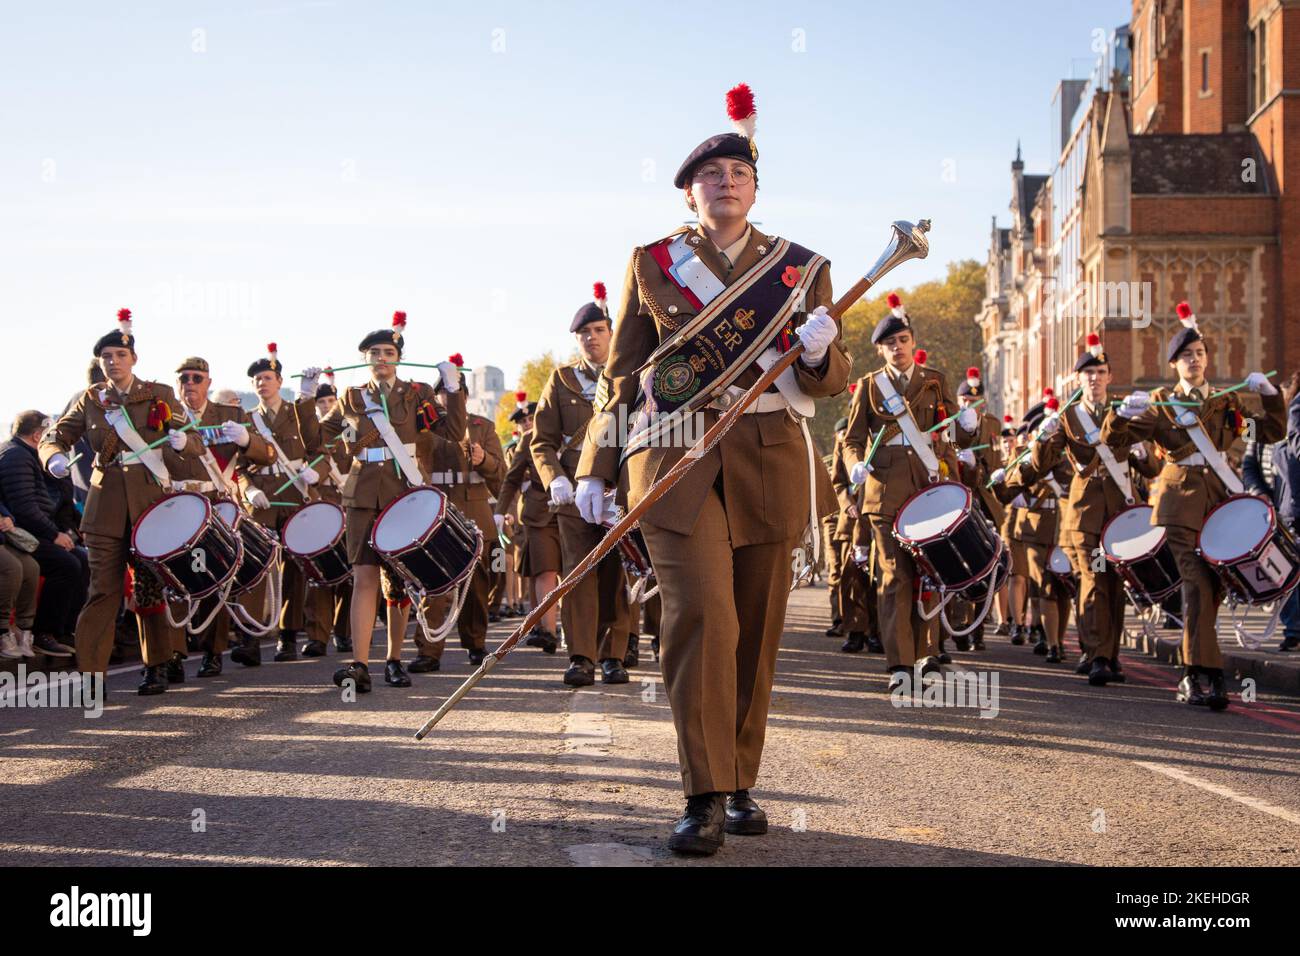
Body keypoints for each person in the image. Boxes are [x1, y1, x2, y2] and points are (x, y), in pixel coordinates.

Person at [575, 84, 846, 855]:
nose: (726, 181)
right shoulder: (653, 263)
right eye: (712, 173)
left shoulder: (801, 268)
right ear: (690, 190)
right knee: (704, 617)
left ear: (756, 189)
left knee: (757, 630)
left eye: (739, 172)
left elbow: (829, 381)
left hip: (769, 456)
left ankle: (739, 782)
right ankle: (702, 792)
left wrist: (822, 350)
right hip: (675, 457)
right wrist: (595, 462)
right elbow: (621, 372)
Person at [1101, 301, 1285, 709]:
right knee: (1197, 583)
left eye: (1200, 354)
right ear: (1174, 364)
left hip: (1219, 503)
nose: (1195, 361)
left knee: (1214, 587)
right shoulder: (1162, 403)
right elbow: (1114, 443)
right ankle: (1203, 674)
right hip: (1178, 503)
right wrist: (1119, 416)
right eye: (1187, 356)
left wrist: (1270, 396)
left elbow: (1269, 432)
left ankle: (1198, 670)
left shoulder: (1226, 404)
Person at [39, 308, 206, 693]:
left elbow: (194, 441)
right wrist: (55, 459)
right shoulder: (90, 400)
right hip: (104, 509)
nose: (113, 362)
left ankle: (157, 665)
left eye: (120, 356)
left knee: (150, 588)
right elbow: (54, 437)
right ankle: (91, 674)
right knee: (103, 591)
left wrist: (183, 441)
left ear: (134, 360)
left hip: (151, 506)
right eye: (106, 357)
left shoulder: (159, 395)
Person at [323, 312, 465, 691]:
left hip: (401, 493)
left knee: (398, 581)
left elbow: (452, 431)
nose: (382, 358)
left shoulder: (416, 393)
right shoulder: (350, 397)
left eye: (388, 351)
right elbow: (316, 440)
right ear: (365, 358)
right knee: (363, 576)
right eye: (374, 352)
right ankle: (359, 665)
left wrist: (453, 389)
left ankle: (394, 659)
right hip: (361, 494)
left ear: (398, 357)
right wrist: (308, 400)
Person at [843, 294, 959, 689]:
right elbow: (853, 439)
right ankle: (899, 665)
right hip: (886, 492)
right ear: (880, 349)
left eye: (904, 339)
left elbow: (951, 431)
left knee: (930, 575)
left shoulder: (935, 381)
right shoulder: (870, 388)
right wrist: (854, 464)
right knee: (894, 577)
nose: (898, 347)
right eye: (890, 343)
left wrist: (971, 426)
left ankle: (927, 654)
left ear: (913, 341)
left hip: (928, 488)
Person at [533, 284, 632, 686]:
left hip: (619, 490)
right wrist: (553, 476)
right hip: (574, 494)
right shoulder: (561, 380)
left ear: (612, 333)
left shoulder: (631, 375)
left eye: (597, 330)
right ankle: (581, 656)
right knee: (578, 572)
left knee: (618, 573)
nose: (590, 338)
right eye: (583, 333)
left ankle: (614, 655)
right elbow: (541, 440)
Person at [168, 357, 273, 677]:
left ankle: (212, 653)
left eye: (197, 378)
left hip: (215, 502)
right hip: (176, 503)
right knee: (172, 580)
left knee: (216, 578)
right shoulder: (165, 415)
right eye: (184, 378)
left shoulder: (230, 415)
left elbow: (266, 453)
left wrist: (245, 440)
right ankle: (172, 653)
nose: (190, 384)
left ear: (208, 383)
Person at [228, 344, 330, 666]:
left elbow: (319, 449)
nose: (262, 382)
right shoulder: (246, 420)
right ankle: (250, 639)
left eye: (268, 377)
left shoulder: (297, 412)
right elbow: (240, 468)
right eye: (257, 378)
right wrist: (247, 491)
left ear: (279, 380)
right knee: (255, 566)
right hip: (262, 499)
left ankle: (288, 636)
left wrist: (317, 473)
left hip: (294, 494)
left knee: (295, 569)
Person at [409, 374, 505, 672]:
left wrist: (484, 459)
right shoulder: (425, 430)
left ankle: (476, 644)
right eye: (444, 393)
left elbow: (501, 476)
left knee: (476, 588)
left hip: (475, 514)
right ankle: (428, 650)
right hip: (437, 513)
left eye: (458, 393)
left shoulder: (482, 426)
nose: (451, 399)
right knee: (434, 583)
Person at [0, 411, 89, 658]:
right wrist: (54, 535)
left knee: (80, 559)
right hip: (21, 534)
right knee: (67, 565)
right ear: (38, 434)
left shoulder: (27, 456)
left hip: (33, 530)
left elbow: (52, 504)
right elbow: (24, 507)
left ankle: (64, 631)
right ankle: (44, 633)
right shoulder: (17, 456)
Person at [495, 400, 562, 650]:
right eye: (524, 421)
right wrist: (500, 512)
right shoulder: (527, 441)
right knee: (543, 570)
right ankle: (548, 629)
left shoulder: (568, 432)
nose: (528, 423)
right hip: (537, 512)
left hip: (572, 510)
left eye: (531, 418)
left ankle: (563, 626)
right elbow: (511, 479)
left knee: (567, 572)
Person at [949, 368, 1005, 652]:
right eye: (965, 402)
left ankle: (979, 627)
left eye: (975, 402)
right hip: (959, 500)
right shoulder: (949, 425)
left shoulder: (993, 424)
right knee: (959, 565)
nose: (970, 406)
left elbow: (1000, 458)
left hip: (986, 502)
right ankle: (959, 626)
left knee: (986, 565)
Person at [312, 370, 355, 654]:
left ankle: (344, 631)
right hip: (321, 506)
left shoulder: (349, 429)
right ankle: (317, 635)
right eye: (322, 402)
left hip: (347, 503)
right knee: (321, 574)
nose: (327, 406)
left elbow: (357, 458)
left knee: (350, 573)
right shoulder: (315, 435)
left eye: (331, 400)